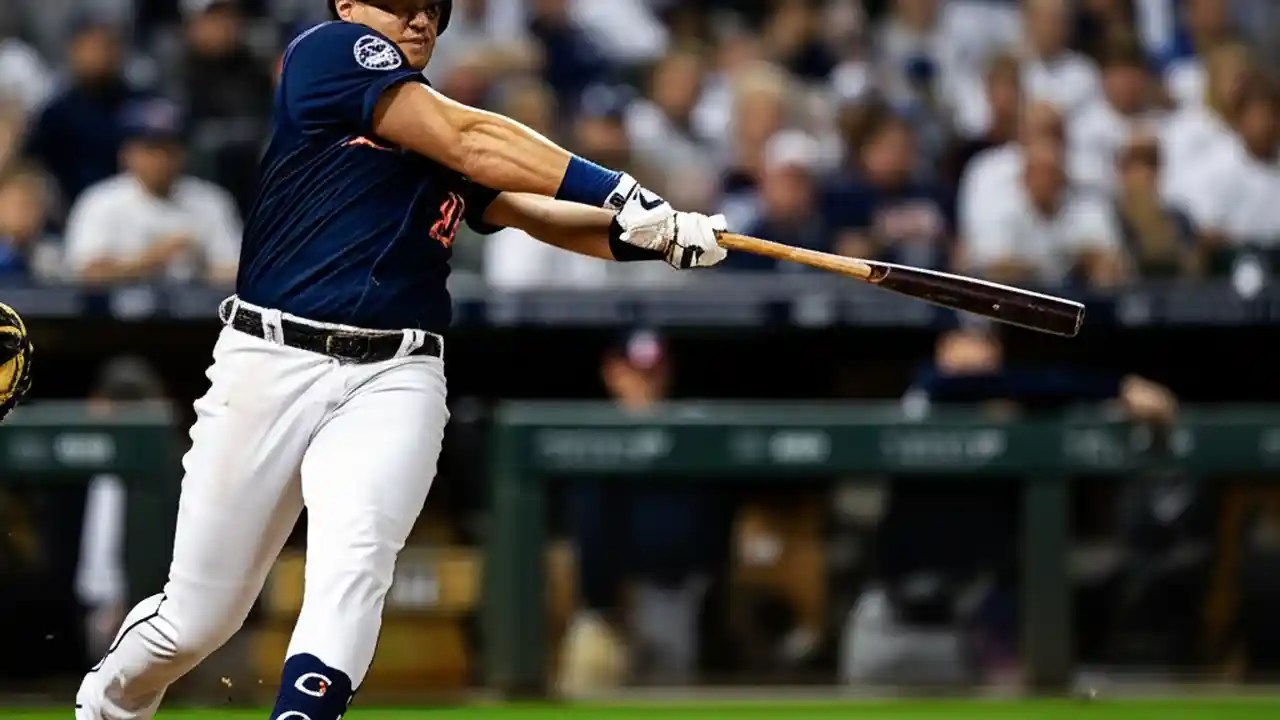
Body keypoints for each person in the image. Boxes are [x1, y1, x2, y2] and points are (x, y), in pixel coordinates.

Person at [74, 3, 729, 720]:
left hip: (396, 374)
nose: (420, 18)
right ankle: (104, 706)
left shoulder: (438, 124)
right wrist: (622, 191)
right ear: (349, 3)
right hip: (271, 356)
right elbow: (471, 139)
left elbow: (536, 210)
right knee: (197, 620)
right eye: (401, 2)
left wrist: (655, 235)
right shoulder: (328, 54)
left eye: (432, 8)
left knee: (354, 564)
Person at [62, 97, 243, 286]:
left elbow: (238, 273)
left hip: (196, 311)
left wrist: (202, 265)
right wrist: (152, 258)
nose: (160, 159)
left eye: (169, 149)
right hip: (114, 313)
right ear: (126, 154)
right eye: (150, 149)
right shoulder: (101, 201)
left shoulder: (211, 201)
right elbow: (86, 274)